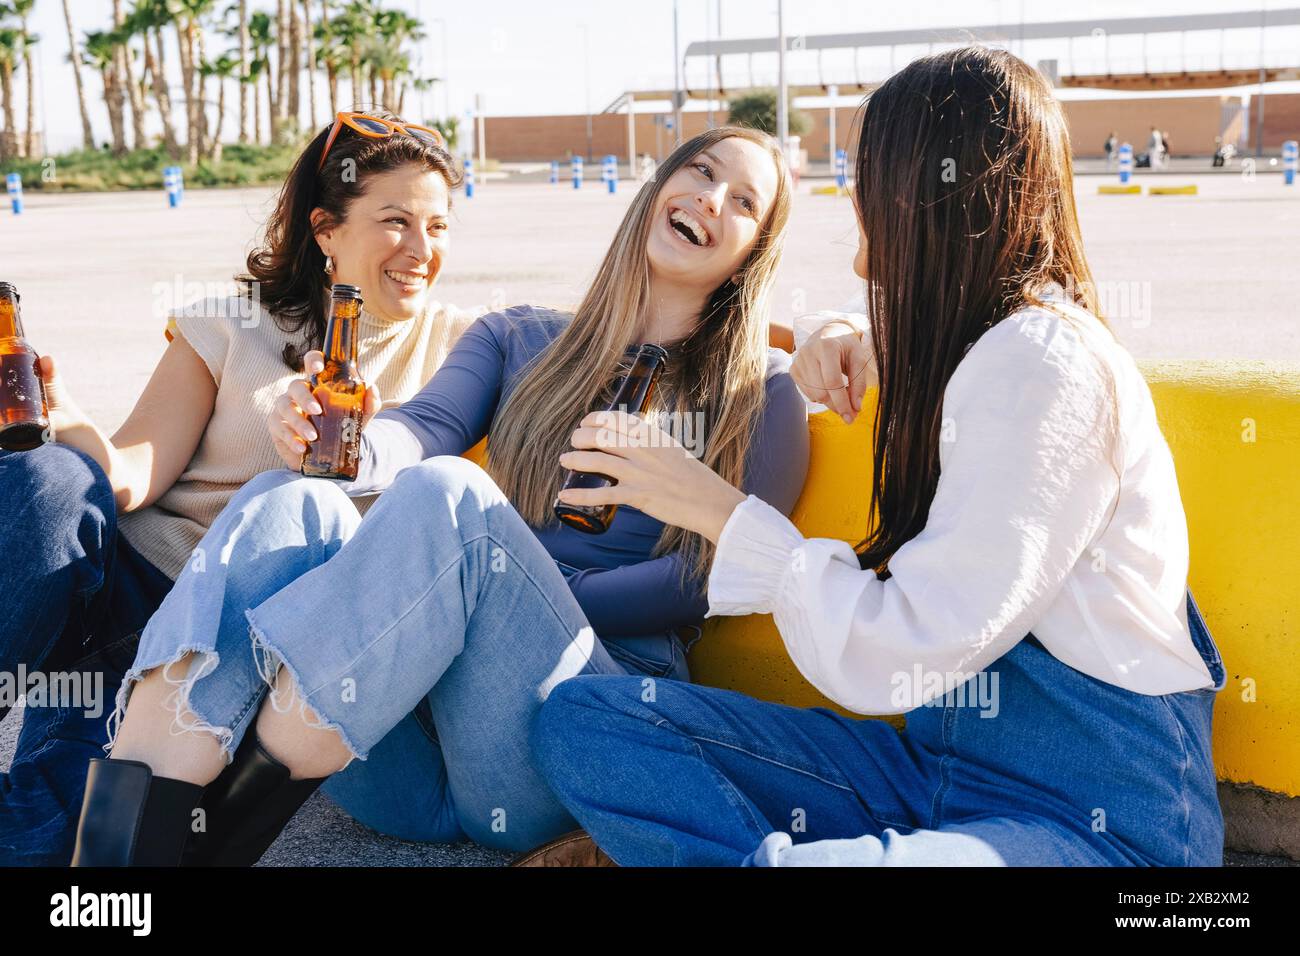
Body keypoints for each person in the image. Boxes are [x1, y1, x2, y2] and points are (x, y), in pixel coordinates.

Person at [528, 46, 1225, 867]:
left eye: (870, 211)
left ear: (935, 203)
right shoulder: (982, 344)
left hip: (1095, 822)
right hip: (937, 775)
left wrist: (714, 508)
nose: (863, 255)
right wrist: (832, 332)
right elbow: (821, 320)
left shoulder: (1047, 367)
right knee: (590, 720)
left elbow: (898, 652)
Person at [68, 126, 811, 867]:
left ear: (756, 247)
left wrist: (509, 590)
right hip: (401, 754)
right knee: (288, 499)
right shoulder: (517, 336)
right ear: (658, 189)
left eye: (743, 201)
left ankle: (197, 854)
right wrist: (343, 442)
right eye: (701, 171)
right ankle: (110, 865)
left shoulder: (762, 391)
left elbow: (723, 578)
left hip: (573, 734)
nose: (711, 199)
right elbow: (419, 431)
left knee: (453, 498)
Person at [0, 108, 478, 866]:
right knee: (47, 475)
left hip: (228, 642)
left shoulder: (464, 348)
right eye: (397, 221)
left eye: (440, 227)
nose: (422, 250)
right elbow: (128, 476)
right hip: (127, 588)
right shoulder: (231, 324)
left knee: (61, 842)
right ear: (327, 229)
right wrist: (66, 418)